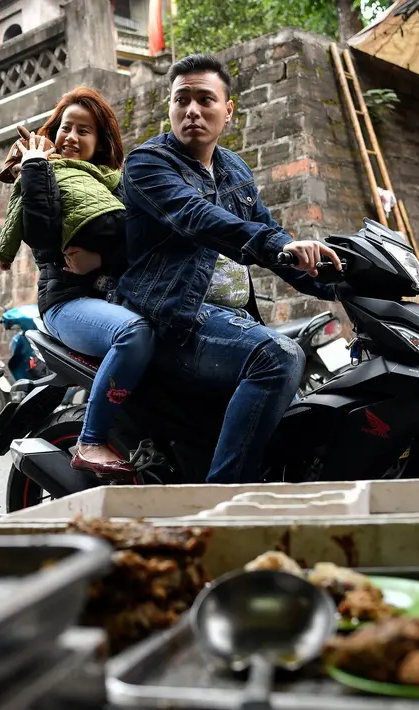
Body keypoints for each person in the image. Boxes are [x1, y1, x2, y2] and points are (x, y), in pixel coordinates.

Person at [118, 54, 341, 485]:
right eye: (182, 100)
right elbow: (197, 217)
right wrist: (277, 243)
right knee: (278, 356)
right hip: (175, 320)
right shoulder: (148, 164)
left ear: (228, 110)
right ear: (170, 106)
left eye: (205, 99)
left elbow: (270, 236)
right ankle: (222, 501)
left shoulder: (234, 168)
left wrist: (340, 283)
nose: (193, 110)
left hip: (230, 320)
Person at [0, 88, 153, 477]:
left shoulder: (114, 183)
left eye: (85, 131)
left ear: (100, 143)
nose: (71, 137)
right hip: (66, 302)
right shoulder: (44, 175)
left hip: (118, 296)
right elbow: (43, 234)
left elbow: (143, 242)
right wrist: (34, 167)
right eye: (66, 128)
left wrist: (101, 259)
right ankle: (91, 439)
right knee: (135, 333)